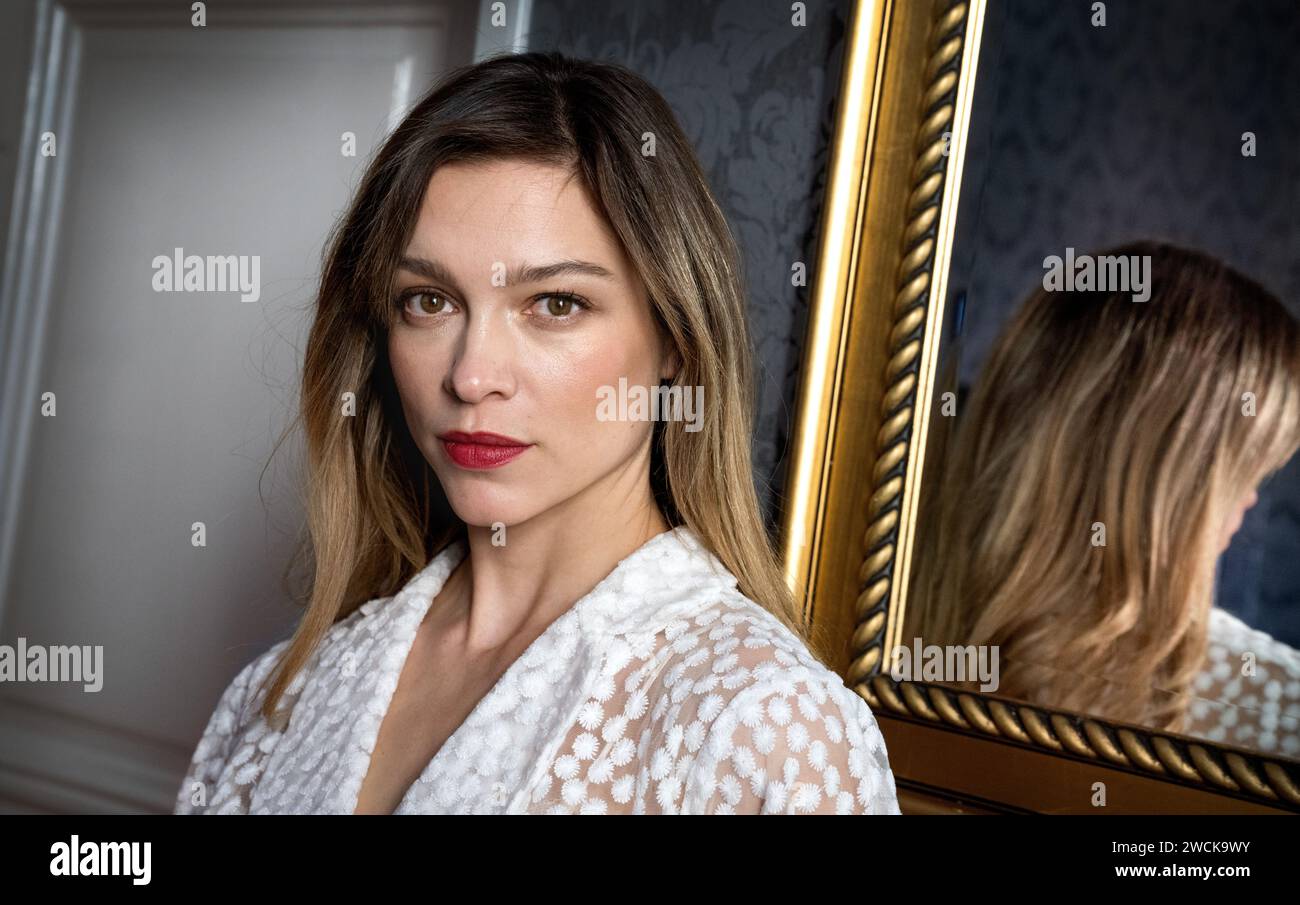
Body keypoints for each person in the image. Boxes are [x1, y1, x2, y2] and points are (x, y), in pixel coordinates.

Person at [173, 51, 900, 815]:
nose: (471, 374)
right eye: (429, 301)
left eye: (554, 304)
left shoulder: (763, 731)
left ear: (676, 341)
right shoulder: (284, 691)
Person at [907, 240, 1300, 757]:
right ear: (1166, 481)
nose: (1249, 499)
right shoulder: (885, 617)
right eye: (1240, 471)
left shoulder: (1274, 706)